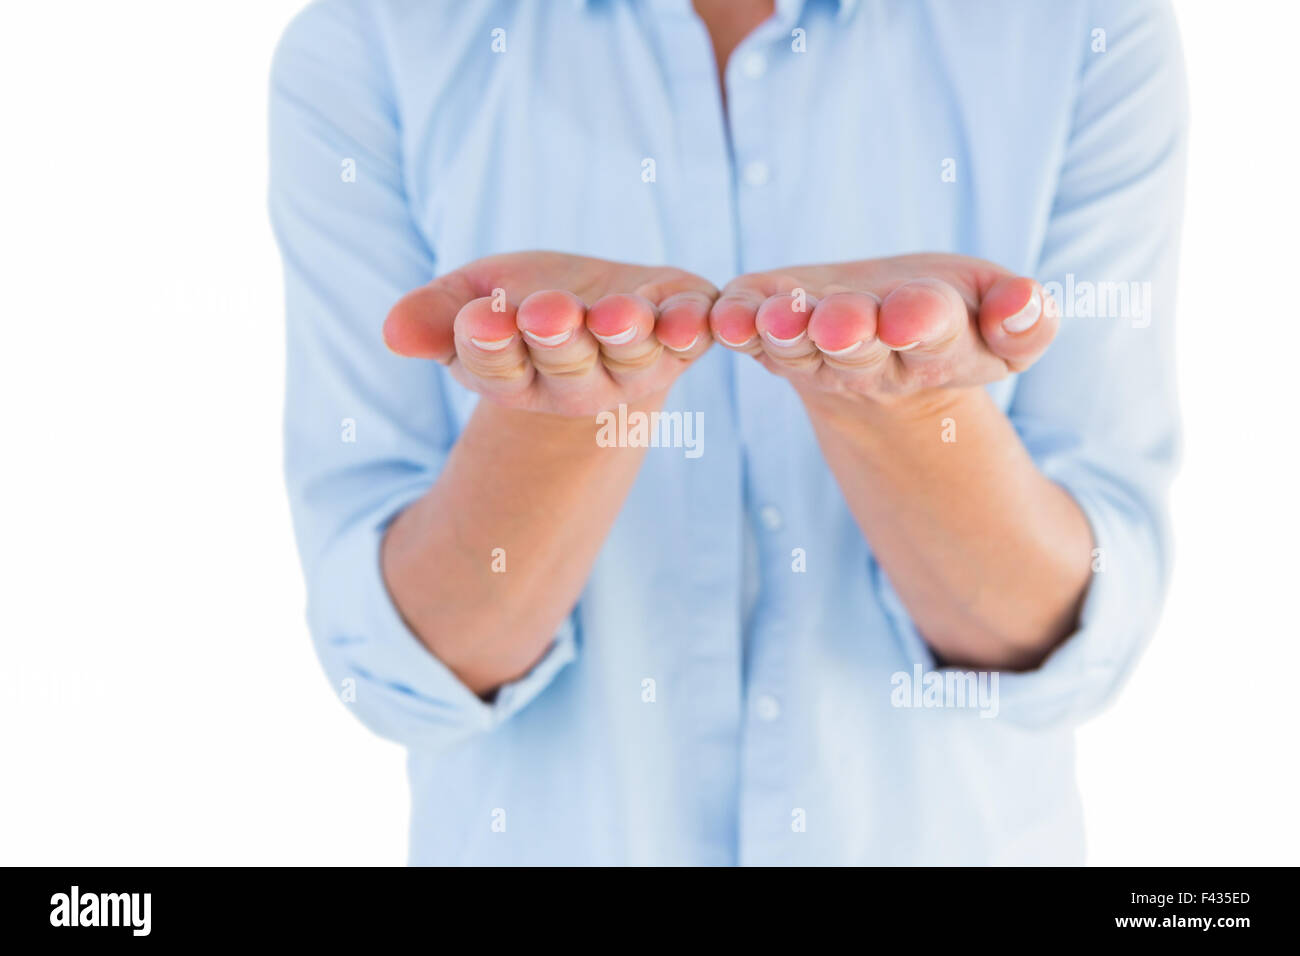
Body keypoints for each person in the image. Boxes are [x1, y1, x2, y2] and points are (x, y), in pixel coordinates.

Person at [269, 0, 1186, 865]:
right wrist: (562, 415)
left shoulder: (1083, 29)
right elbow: (399, 668)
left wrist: (906, 411)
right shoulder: (375, 40)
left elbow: (1078, 635)